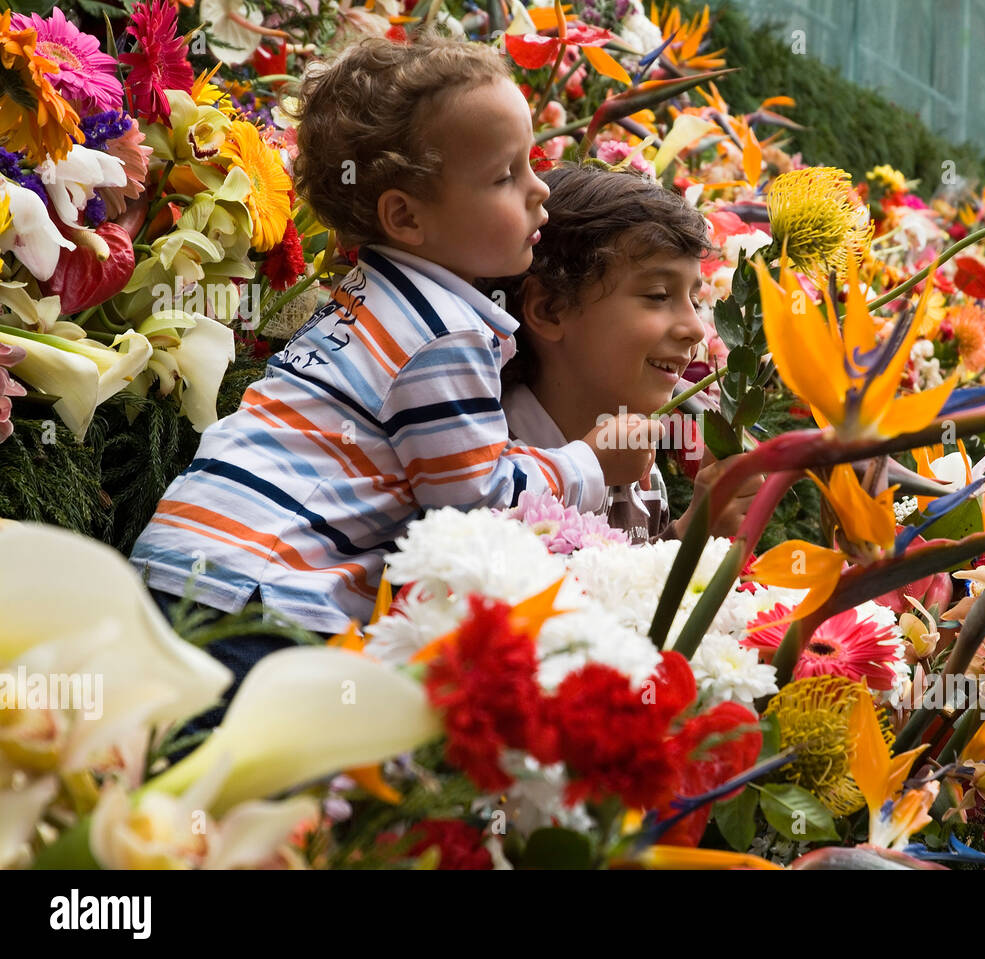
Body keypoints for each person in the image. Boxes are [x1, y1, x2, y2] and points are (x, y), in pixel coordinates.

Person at [129, 37, 661, 695]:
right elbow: (473, 502)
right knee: (262, 778)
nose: (538, 188)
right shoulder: (443, 335)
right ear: (405, 215)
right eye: (505, 176)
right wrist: (589, 462)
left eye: (531, 165)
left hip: (191, 559)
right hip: (263, 594)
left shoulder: (367, 296)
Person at [497, 162, 761, 542]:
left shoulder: (639, 469)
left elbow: (630, 589)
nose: (695, 330)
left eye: (694, 299)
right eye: (657, 296)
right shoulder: (487, 465)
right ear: (549, 310)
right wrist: (691, 539)